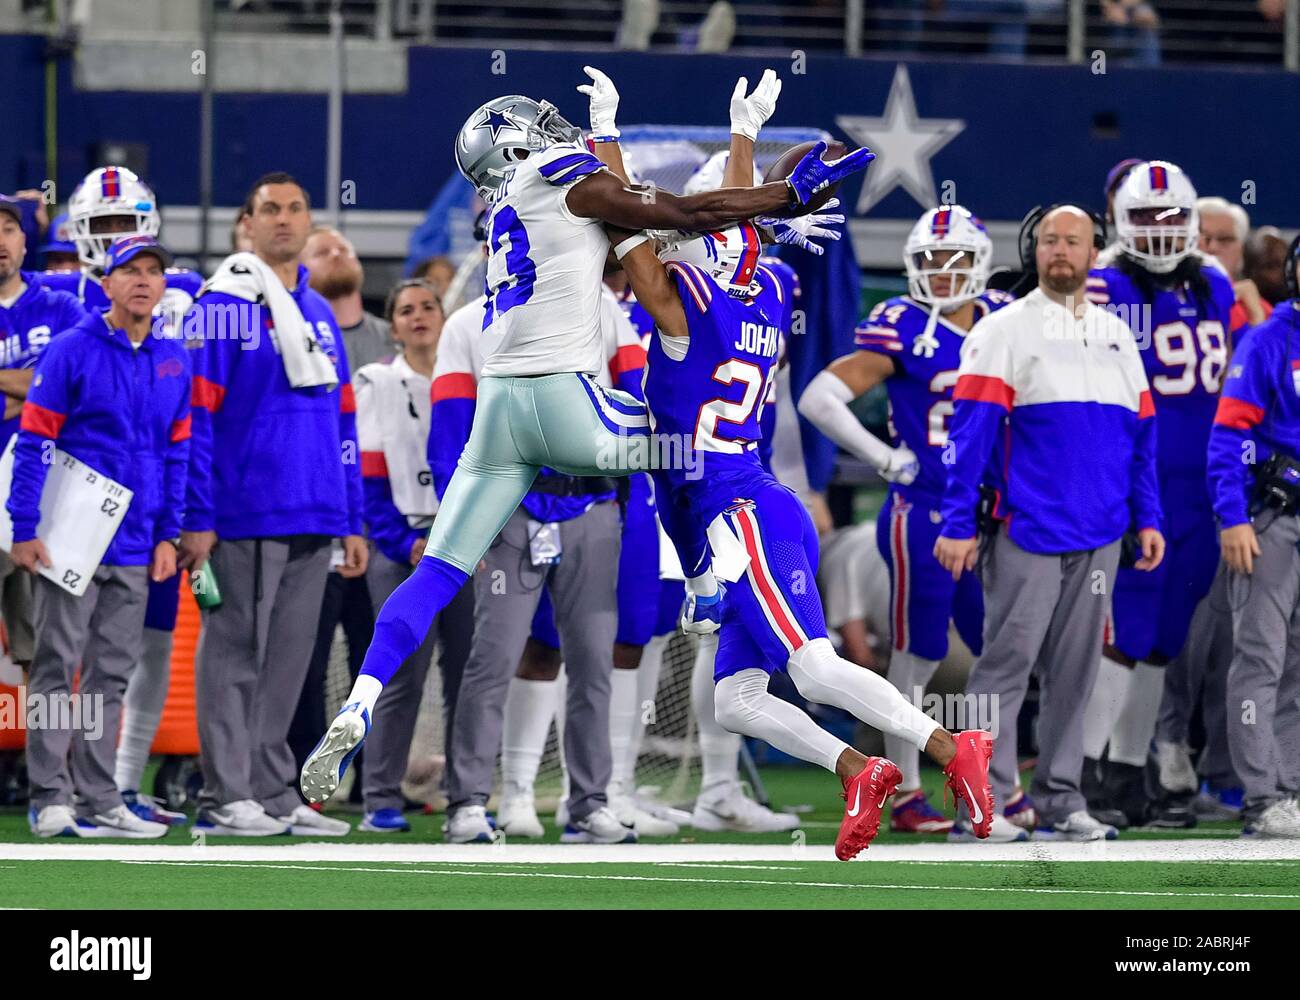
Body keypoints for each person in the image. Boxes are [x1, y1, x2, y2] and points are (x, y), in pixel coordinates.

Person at [300, 68, 875, 804]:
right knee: (693, 435)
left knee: (438, 574)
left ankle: (360, 700)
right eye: (535, 122)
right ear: (518, 145)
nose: (550, 126)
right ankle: (702, 581)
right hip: (565, 404)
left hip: (499, 413)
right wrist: (782, 195)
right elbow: (679, 213)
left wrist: (622, 137)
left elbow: (636, 222)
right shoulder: (554, 171)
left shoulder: (510, 203)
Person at [935, 205, 1165, 842]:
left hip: (1102, 535)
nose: (1060, 251)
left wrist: (1149, 516)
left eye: (1075, 241)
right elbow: (968, 437)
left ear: (1097, 253)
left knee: (1078, 671)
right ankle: (981, 804)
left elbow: (1141, 436)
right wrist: (957, 522)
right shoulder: (1003, 330)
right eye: (1050, 241)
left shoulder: (1120, 335)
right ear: (1034, 249)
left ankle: (1061, 800)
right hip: (1025, 529)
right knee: (1003, 667)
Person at [799, 204, 1019, 839]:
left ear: (979, 264)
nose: (943, 273)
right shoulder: (901, 324)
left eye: (955, 261)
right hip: (922, 508)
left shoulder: (1005, 319)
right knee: (917, 647)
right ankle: (911, 791)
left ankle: (993, 783)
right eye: (929, 260)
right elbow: (819, 397)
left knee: (993, 648)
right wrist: (882, 457)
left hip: (990, 511)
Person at [430, 274, 643, 844]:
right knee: (492, 658)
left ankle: (590, 802)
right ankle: (469, 801)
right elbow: (450, 435)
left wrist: (623, 495)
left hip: (590, 504)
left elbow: (638, 400)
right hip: (510, 509)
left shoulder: (603, 308)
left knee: (594, 661)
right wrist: (464, 526)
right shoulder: (468, 322)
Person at [184, 172, 366, 836]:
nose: (284, 220)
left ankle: (270, 787)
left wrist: (349, 516)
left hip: (315, 510)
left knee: (290, 664)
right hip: (242, 511)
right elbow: (195, 416)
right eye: (270, 210)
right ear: (248, 224)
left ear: (309, 222)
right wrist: (197, 514)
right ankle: (224, 793)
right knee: (234, 654)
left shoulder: (317, 311)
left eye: (295, 210)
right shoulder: (224, 303)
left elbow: (344, 424)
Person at [11, 236, 190, 838]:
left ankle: (97, 794)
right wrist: (24, 527)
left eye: (153, 271)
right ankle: (49, 795)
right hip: (71, 540)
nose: (143, 280)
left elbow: (177, 453)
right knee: (59, 666)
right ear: (105, 283)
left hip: (137, 543)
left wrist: (170, 534)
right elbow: (34, 442)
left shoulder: (172, 360)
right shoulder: (68, 352)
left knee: (112, 673)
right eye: (130, 271)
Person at [41, 166, 204, 828]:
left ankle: (109, 789)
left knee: (121, 661)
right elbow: (37, 427)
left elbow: (181, 436)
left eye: (128, 229)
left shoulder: (181, 317)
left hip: (141, 522)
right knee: (55, 661)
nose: (119, 246)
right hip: (71, 510)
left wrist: (178, 523)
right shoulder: (59, 306)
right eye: (104, 230)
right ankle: (51, 791)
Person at [1080, 162, 1234, 829]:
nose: (1163, 231)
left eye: (1174, 218)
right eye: (1148, 217)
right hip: (1138, 479)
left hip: (1201, 484)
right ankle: (1086, 772)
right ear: (1120, 219)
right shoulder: (1103, 285)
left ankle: (1129, 770)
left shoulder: (1217, 285)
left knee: (1165, 640)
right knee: (1125, 633)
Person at [354, 279, 474, 833]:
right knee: (400, 673)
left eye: (429, 306)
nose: (420, 316)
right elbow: (368, 481)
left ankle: (464, 794)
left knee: (467, 674)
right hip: (402, 543)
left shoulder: (474, 379)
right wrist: (405, 542)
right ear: (393, 324)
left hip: (470, 542)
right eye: (407, 310)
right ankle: (380, 794)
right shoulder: (376, 382)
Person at [1204, 236, 1300, 838]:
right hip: (1273, 517)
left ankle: (1290, 785)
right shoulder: (1268, 338)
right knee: (1261, 657)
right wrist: (1232, 516)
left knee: (1296, 663)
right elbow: (1226, 435)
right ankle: (1262, 796)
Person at [0, 197, 83, 684]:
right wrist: (36, 388)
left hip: (45, 495)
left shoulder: (60, 304)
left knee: (45, 656)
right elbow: (47, 388)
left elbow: (72, 387)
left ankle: (44, 762)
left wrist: (40, 391)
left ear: (24, 241)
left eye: (9, 228)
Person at [303, 226, 396, 371]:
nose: (336, 254)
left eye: (343, 249)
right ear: (300, 271)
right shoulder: (297, 340)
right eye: (322, 253)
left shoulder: (394, 338)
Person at [1197, 196, 1270, 333]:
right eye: (1203, 238)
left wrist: (1257, 320)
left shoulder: (1261, 309)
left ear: (1241, 250)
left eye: (1225, 239)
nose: (1213, 248)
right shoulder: (1154, 298)